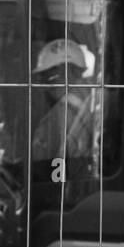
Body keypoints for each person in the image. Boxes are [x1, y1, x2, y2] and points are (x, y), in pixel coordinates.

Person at [30, 38, 99, 170]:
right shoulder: (94, 102)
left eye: (50, 77)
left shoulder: (57, 118)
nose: (45, 86)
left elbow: (43, 170)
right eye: (42, 78)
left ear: (70, 72)